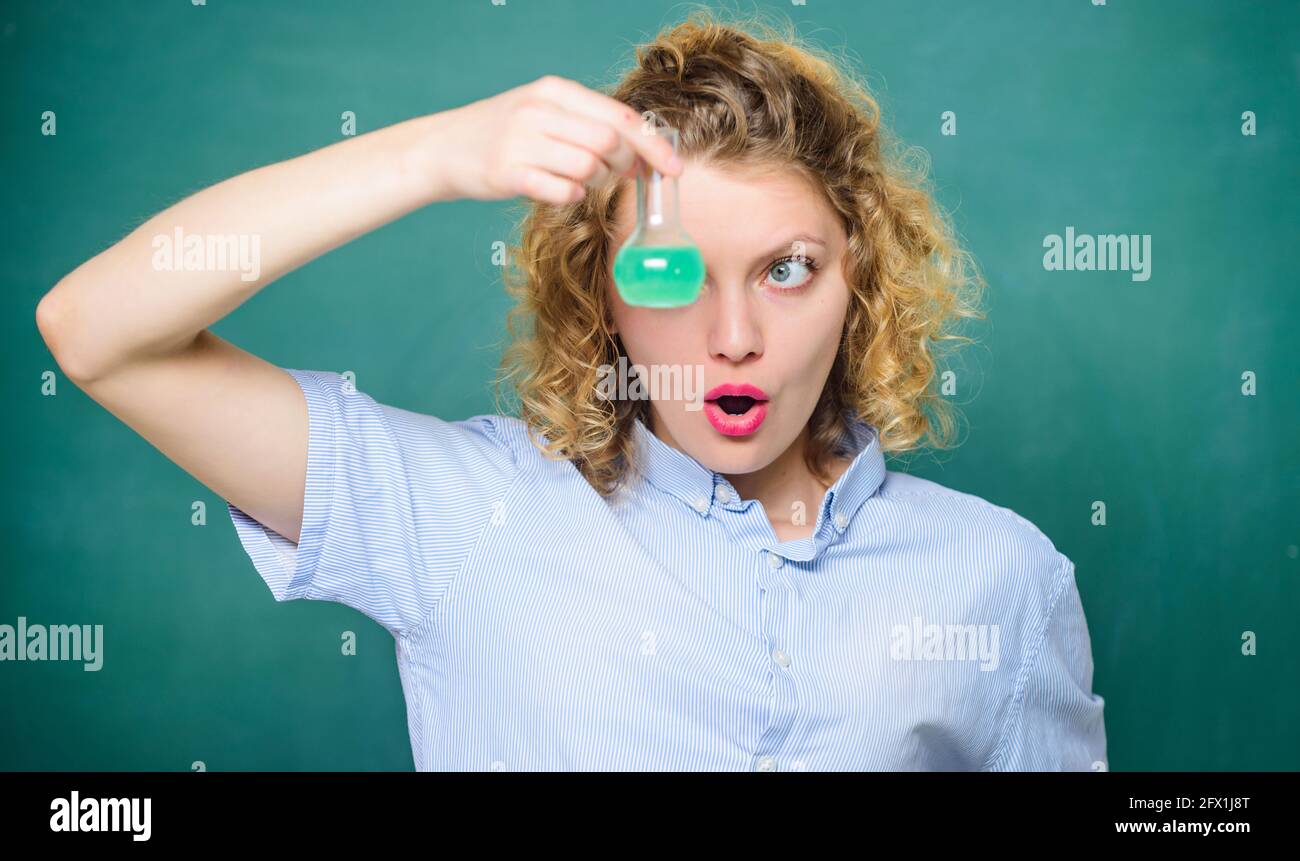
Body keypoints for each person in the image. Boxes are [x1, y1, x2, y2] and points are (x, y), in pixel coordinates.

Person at [35, 11, 1106, 771]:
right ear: (602, 290)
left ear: (857, 280)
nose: (732, 339)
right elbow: (98, 333)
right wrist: (435, 156)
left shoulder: (999, 578)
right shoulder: (459, 514)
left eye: (786, 270)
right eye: (668, 272)